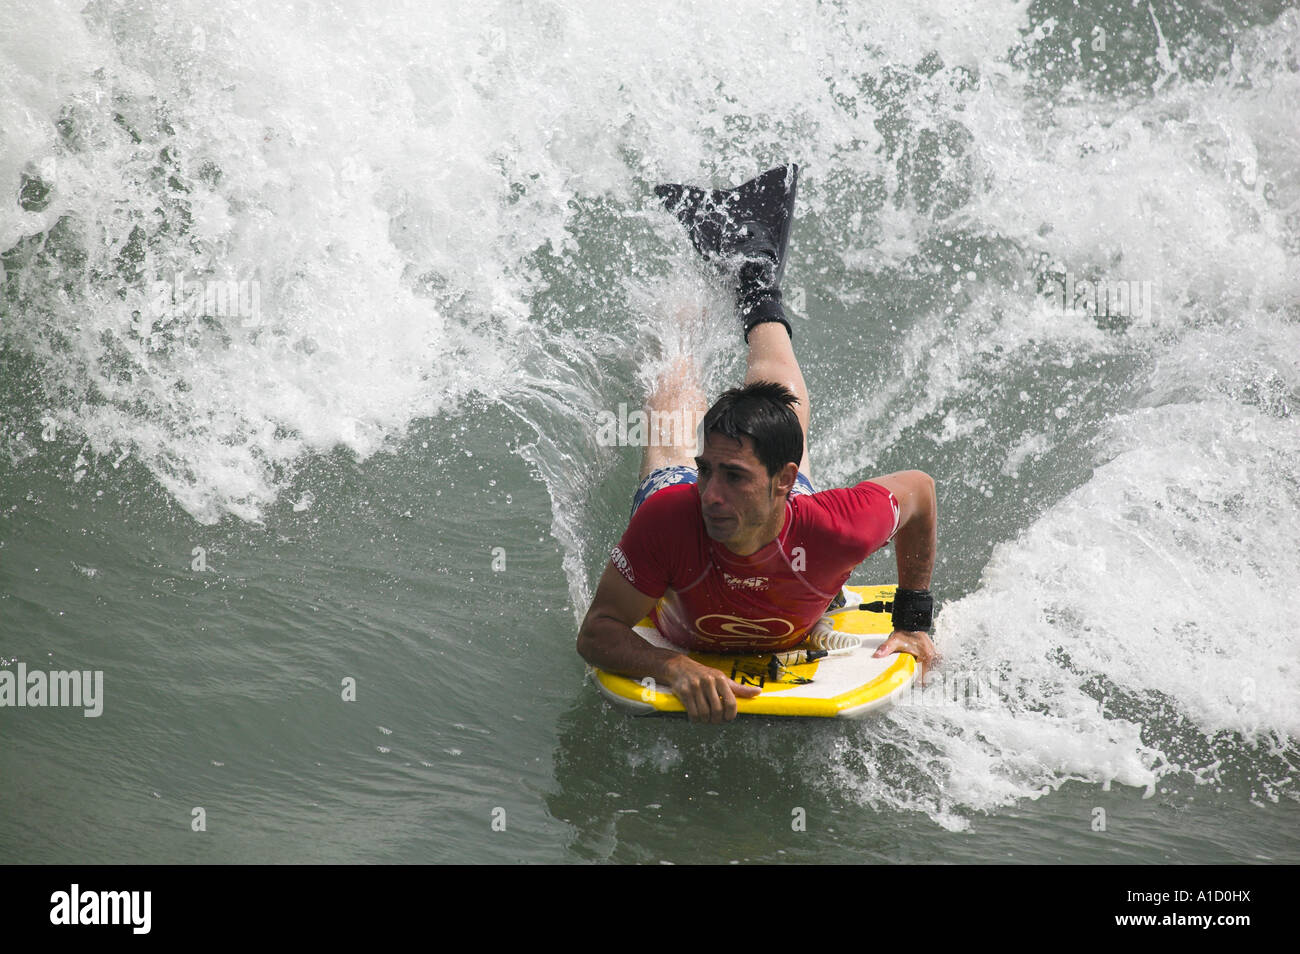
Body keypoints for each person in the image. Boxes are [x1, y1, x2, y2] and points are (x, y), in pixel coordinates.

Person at [576, 164, 938, 723]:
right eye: (709, 471)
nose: (711, 494)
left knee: (782, 411)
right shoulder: (674, 514)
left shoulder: (836, 527)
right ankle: (682, 301)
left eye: (733, 477)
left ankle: (754, 275)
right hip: (685, 537)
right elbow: (597, 632)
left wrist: (914, 618)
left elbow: (919, 492)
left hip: (788, 519)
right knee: (672, 410)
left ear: (785, 482)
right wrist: (673, 667)